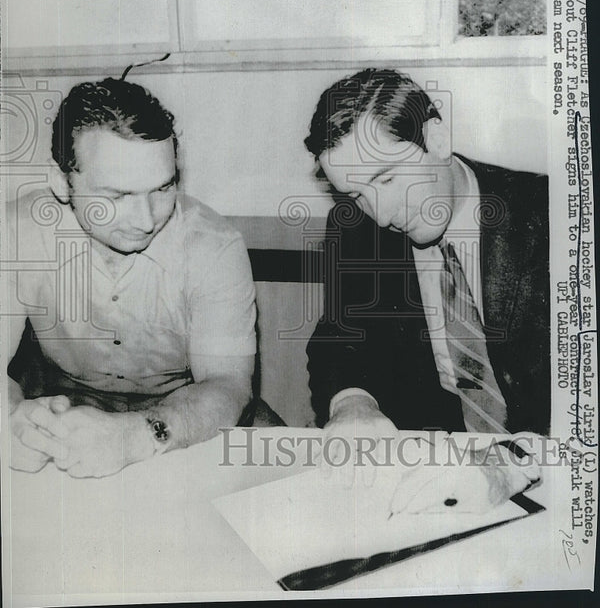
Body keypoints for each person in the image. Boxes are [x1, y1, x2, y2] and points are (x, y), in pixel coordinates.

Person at [7, 78, 258, 477]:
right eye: (117, 196)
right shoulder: (15, 231)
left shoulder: (215, 246)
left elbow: (228, 385)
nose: (145, 220)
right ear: (61, 182)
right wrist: (12, 418)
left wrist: (132, 437)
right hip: (62, 401)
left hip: (188, 408)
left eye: (163, 188)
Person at [304, 68, 550, 449]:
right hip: (435, 462)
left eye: (386, 179)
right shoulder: (356, 228)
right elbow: (339, 339)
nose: (381, 215)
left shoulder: (552, 214)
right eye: (355, 196)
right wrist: (352, 401)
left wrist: (516, 463)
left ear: (436, 139)